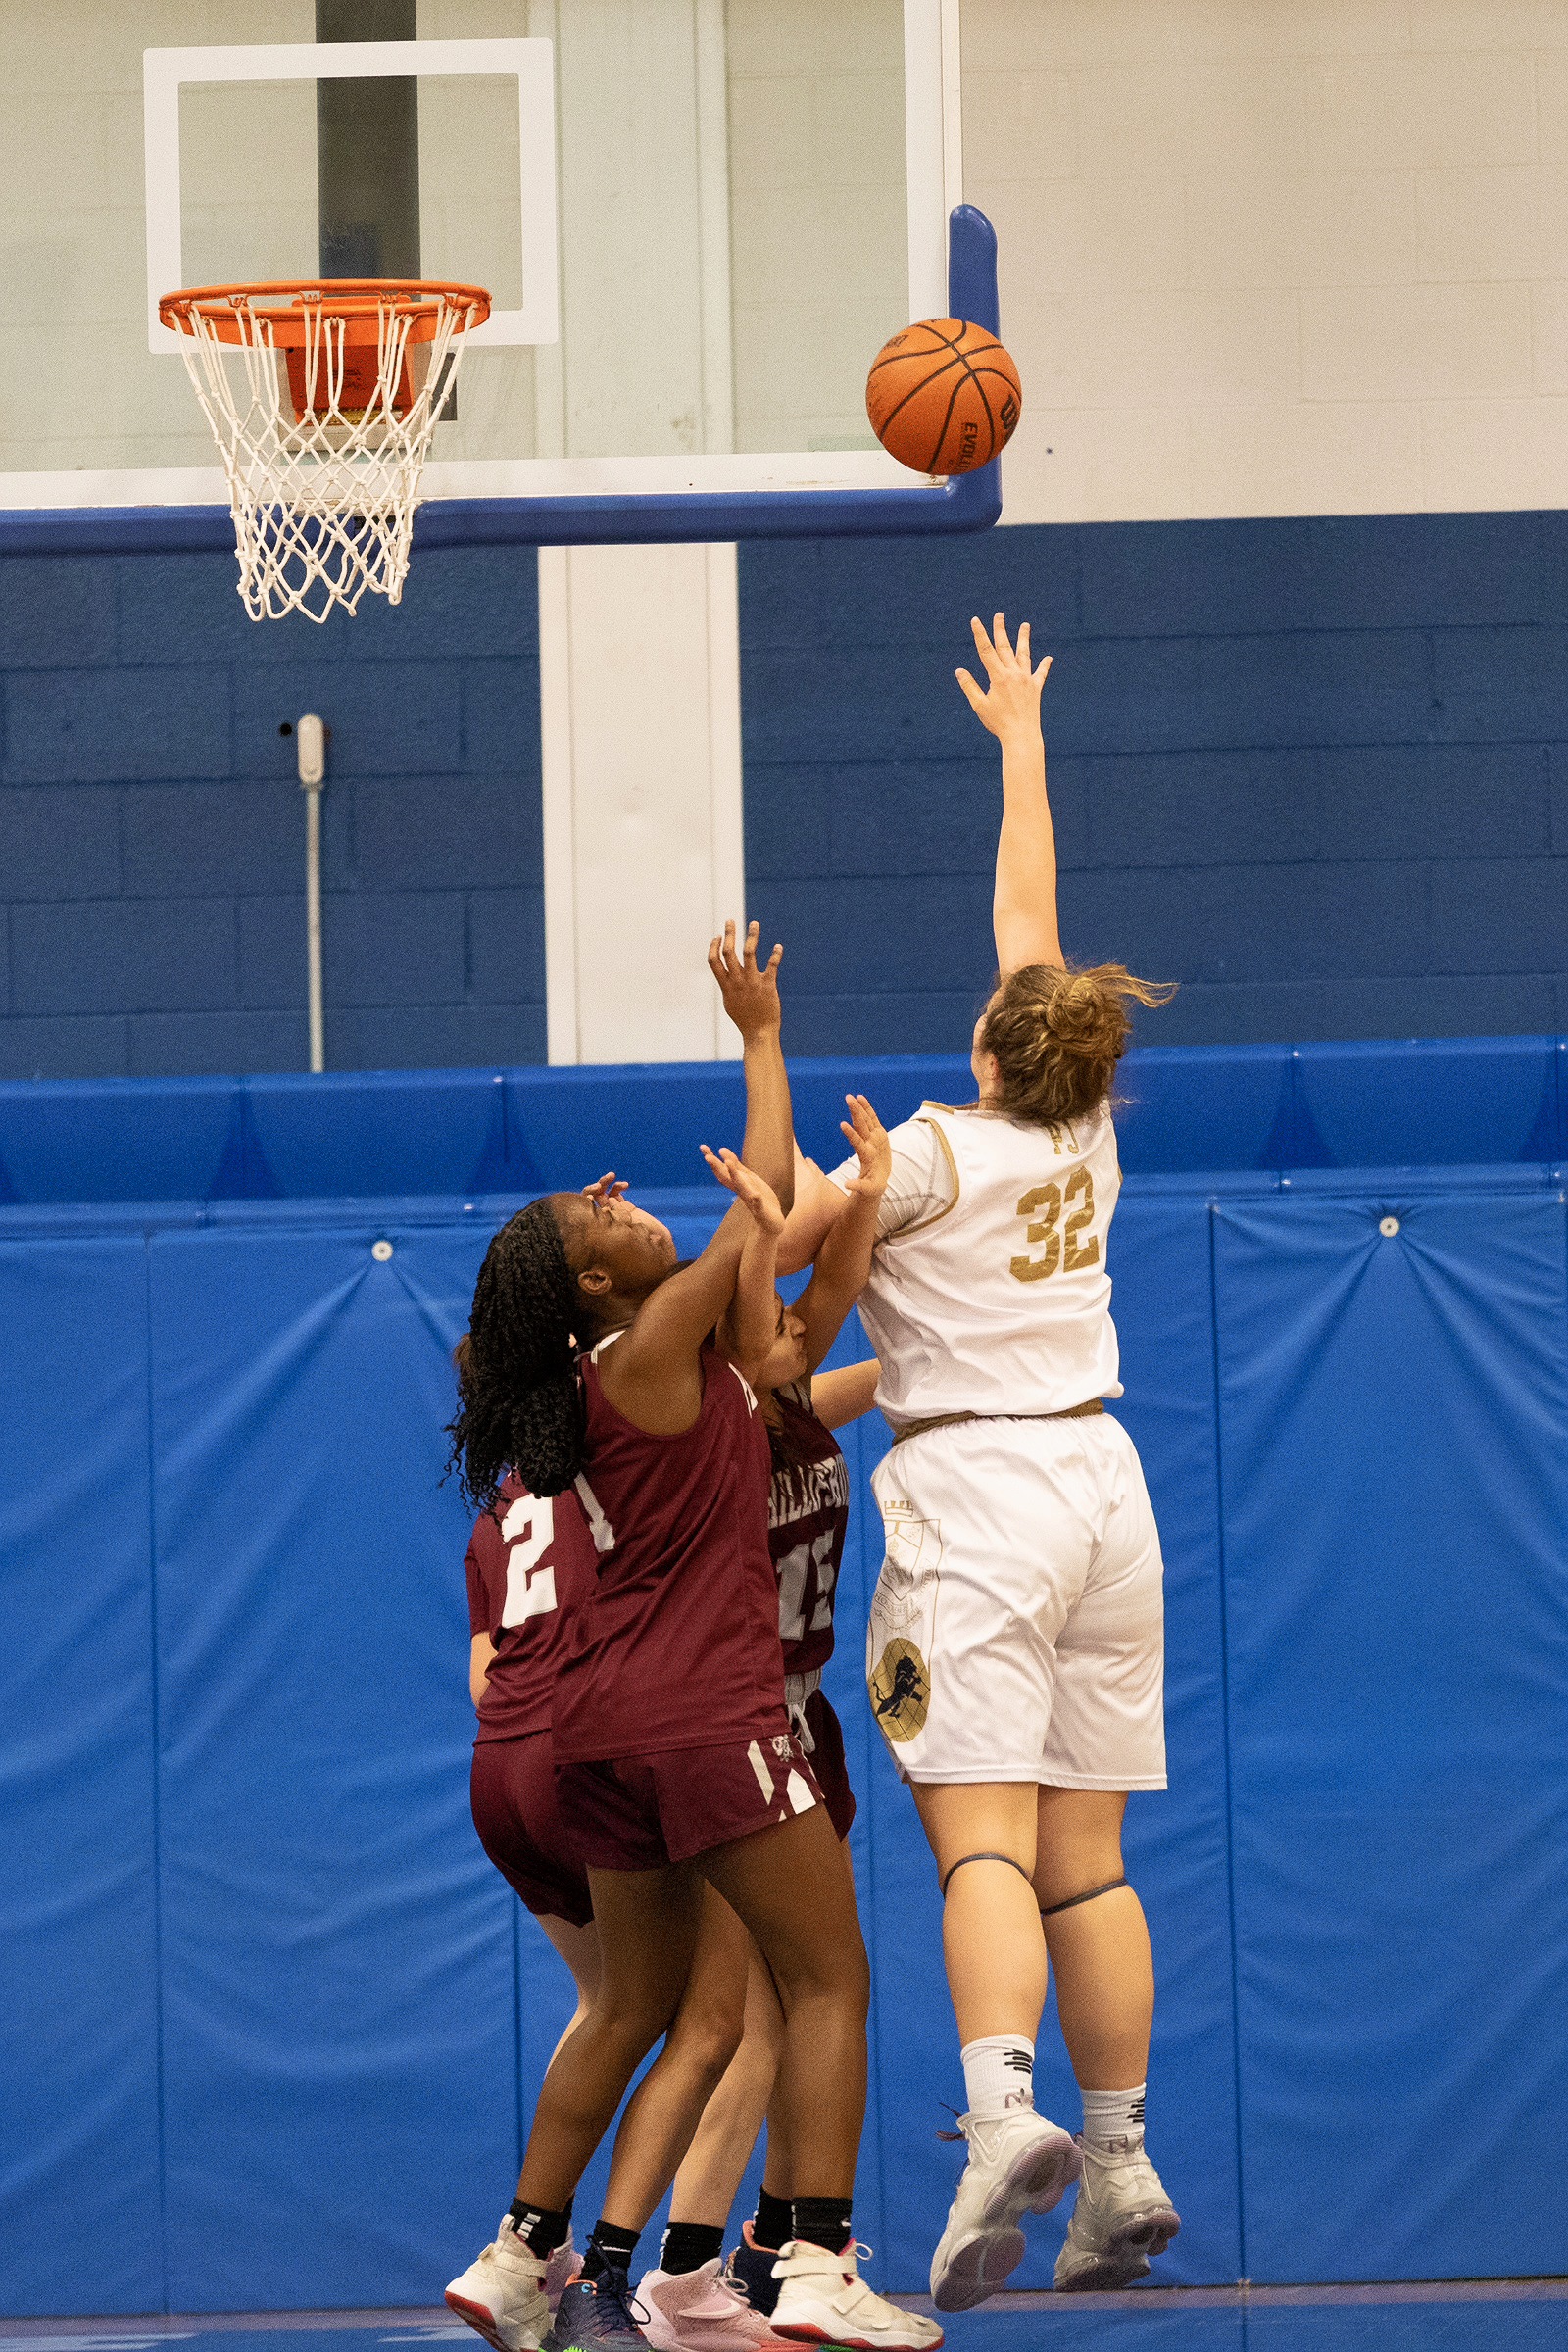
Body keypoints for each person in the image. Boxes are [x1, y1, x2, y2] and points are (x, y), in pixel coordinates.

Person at [447, 924, 941, 2352]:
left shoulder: (658, 1367)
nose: (611, 1192)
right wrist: (761, 1036)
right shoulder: (657, 1344)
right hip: (709, 1718)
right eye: (590, 1212)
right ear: (595, 1288)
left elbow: (795, 1318)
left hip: (597, 1736)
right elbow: (768, 1199)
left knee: (636, 2007)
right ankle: (817, 2267)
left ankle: (518, 2253)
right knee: (827, 1977)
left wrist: (831, 1215)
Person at [815, 617, 1182, 2302]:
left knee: (980, 1844)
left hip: (978, 1504)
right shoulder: (1083, 1126)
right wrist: (1024, 743)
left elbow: (790, 1241)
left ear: (984, 1046)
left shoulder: (932, 1156)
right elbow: (1031, 928)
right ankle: (1116, 2161)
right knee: (1088, 1859)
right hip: (1109, 1493)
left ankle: (999, 2120)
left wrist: (802, 1204)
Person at [639, 1104, 892, 2344]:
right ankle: (697, 2265)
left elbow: (845, 1293)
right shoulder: (728, 1410)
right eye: (772, 1310)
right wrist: (755, 1210)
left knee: (775, 2013)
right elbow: (778, 1271)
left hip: (801, 1718)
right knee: (736, 2015)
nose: (798, 1315)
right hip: (739, 1728)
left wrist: (878, 1187)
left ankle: (720, 2260)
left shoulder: (801, 1398)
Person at [446, 1407, 759, 2352]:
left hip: (501, 1762)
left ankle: (533, 2257)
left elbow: (484, 1667)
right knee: (725, 2018)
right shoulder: (630, 1464)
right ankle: (666, 2278)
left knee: (610, 2005)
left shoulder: (497, 1511)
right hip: (599, 1747)